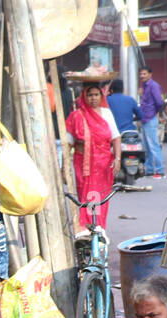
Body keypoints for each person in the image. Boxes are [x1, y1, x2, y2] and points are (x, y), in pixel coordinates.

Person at [65, 82, 121, 228]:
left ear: (101, 96)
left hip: (103, 166)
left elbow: (116, 137)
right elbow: (68, 144)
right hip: (84, 165)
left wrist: (118, 158)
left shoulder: (107, 113)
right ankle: (87, 229)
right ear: (84, 96)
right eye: (89, 95)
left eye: (96, 95)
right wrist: (63, 167)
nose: (93, 98)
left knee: (101, 199)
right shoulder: (76, 116)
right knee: (87, 198)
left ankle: (99, 229)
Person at [139, 66, 166, 178]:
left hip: (150, 118)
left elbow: (159, 102)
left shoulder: (153, 86)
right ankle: (149, 169)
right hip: (145, 118)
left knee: (154, 145)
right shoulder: (144, 87)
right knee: (147, 146)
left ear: (150, 74)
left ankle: (160, 170)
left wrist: (154, 112)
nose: (142, 76)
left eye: (144, 74)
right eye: (141, 74)